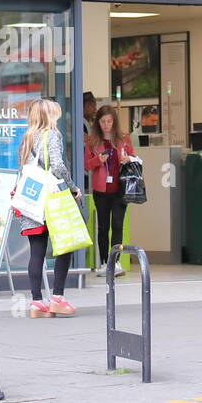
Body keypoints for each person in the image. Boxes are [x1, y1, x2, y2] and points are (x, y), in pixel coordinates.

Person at [15, 99, 82, 318]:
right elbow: (58, 165)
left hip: (31, 202)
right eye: (55, 114)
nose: (57, 118)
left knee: (36, 252)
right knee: (65, 244)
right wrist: (72, 187)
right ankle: (57, 298)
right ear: (48, 116)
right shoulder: (51, 135)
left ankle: (36, 302)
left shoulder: (25, 139)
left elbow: (21, 172)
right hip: (52, 201)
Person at [84, 105, 134, 278]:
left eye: (109, 121)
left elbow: (134, 159)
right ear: (98, 122)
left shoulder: (124, 139)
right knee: (103, 227)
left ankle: (116, 261)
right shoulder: (92, 141)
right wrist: (98, 160)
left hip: (120, 188)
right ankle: (105, 262)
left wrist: (128, 159)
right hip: (101, 189)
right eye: (103, 121)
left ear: (114, 122)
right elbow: (87, 165)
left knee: (118, 225)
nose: (106, 125)